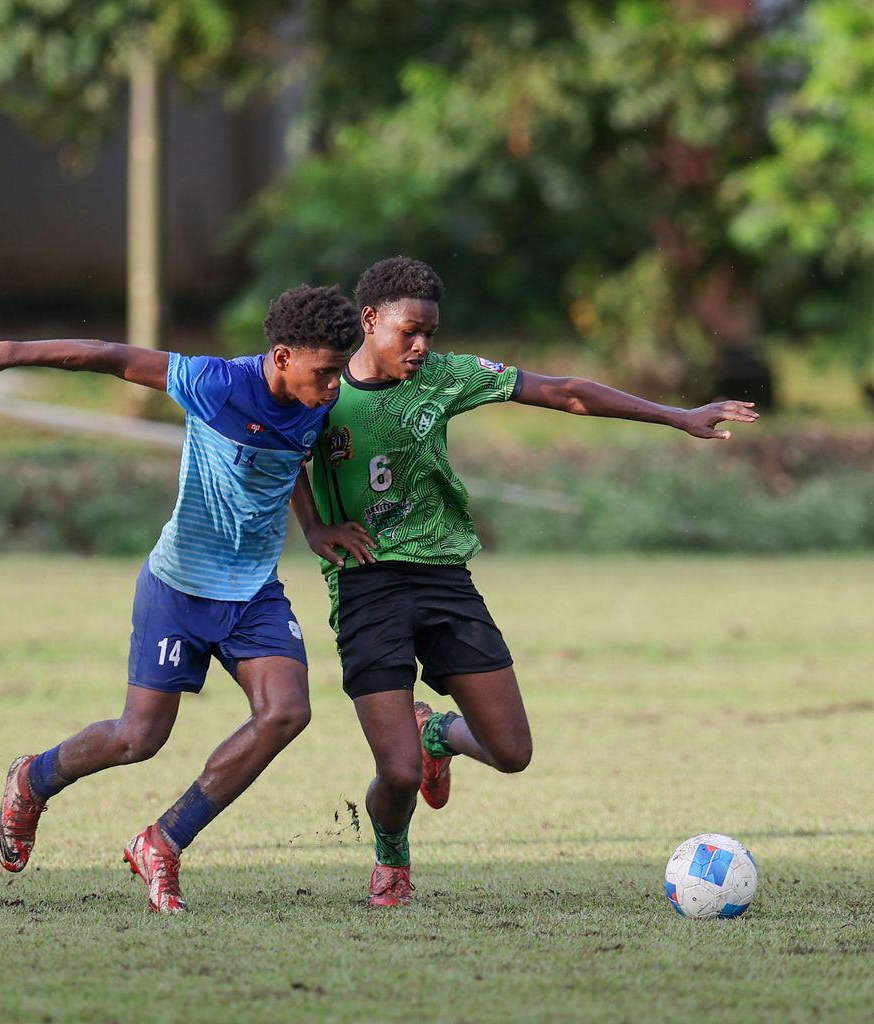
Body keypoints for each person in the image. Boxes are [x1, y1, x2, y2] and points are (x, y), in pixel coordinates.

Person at [292, 256, 760, 907]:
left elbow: (565, 391)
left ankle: (438, 734)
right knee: (395, 773)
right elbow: (278, 445)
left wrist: (677, 416)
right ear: (369, 321)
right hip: (366, 585)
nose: (422, 346)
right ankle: (392, 861)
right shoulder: (320, 386)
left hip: (445, 578)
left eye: (430, 331)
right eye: (409, 333)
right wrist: (313, 528)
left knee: (511, 751)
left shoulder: (449, 376)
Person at [0, 285, 361, 914]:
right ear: (283, 356)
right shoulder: (213, 383)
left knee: (287, 712)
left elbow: (288, 460)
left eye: (338, 371)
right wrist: (6, 352)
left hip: (253, 593)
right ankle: (32, 779)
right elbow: (107, 355)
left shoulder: (318, 400)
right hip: (179, 587)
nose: (332, 386)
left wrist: (315, 525)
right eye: (323, 372)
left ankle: (162, 841)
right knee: (138, 739)